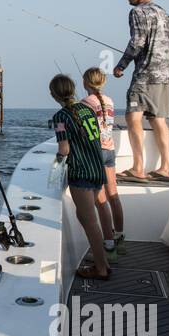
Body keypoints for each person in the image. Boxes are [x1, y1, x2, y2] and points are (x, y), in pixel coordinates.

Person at [112, 0, 169, 182]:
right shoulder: (163, 12)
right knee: (158, 119)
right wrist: (160, 53)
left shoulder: (137, 13)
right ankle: (167, 168)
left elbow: (137, 42)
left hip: (145, 76)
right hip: (166, 75)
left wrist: (121, 66)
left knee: (133, 118)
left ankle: (138, 168)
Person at [48, 73, 111, 280]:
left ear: (53, 94)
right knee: (86, 218)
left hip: (81, 174)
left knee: (89, 221)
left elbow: (64, 150)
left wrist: (56, 160)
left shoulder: (59, 118)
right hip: (97, 171)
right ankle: (103, 261)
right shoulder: (88, 109)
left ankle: (101, 269)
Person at [81, 67, 125, 260]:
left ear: (86, 83)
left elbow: (84, 131)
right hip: (109, 151)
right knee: (113, 195)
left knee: (101, 202)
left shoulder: (85, 103)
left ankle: (108, 247)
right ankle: (120, 237)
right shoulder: (109, 101)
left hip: (96, 153)